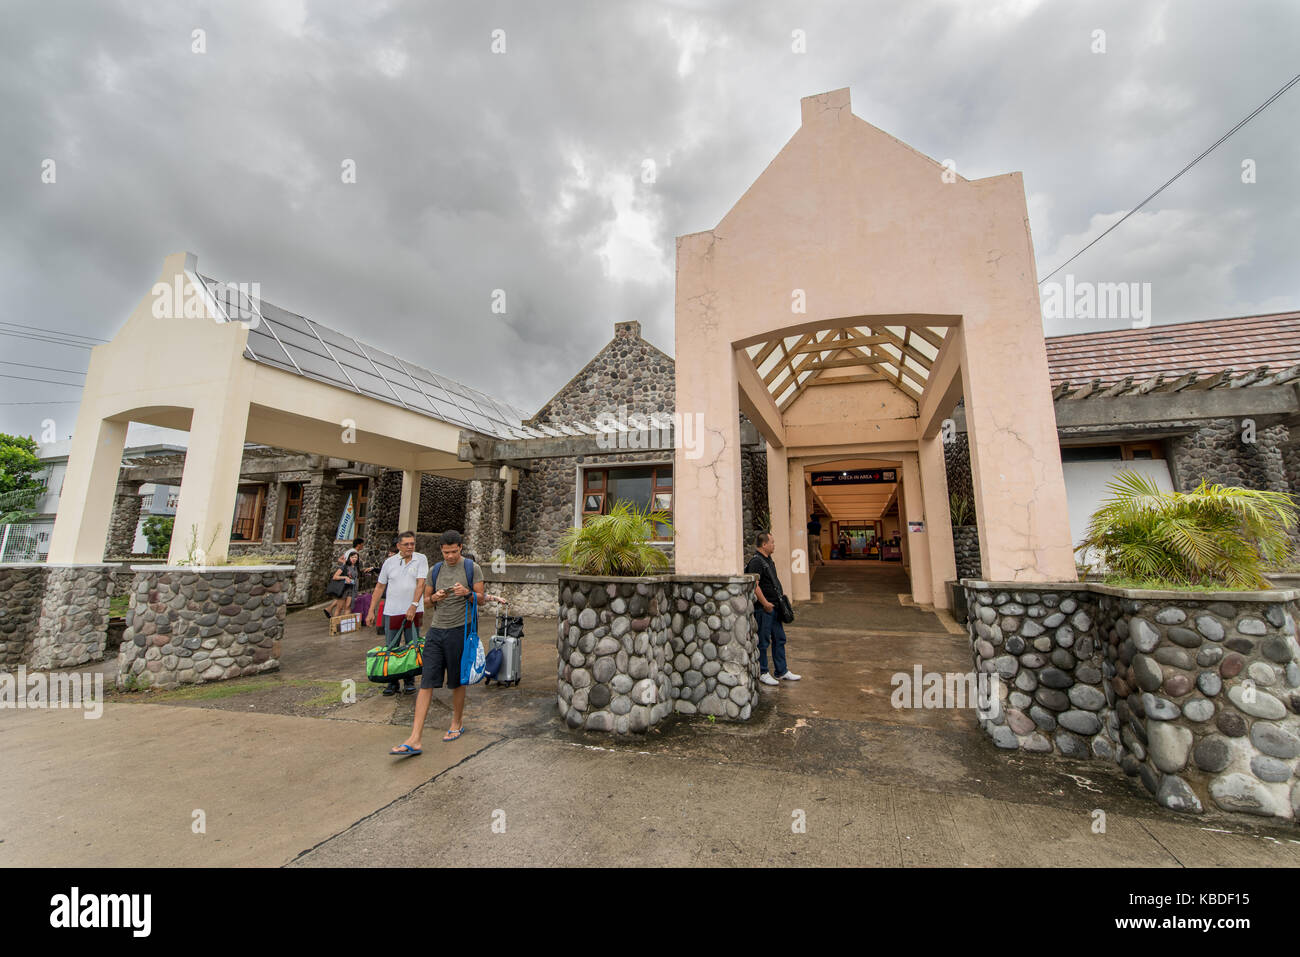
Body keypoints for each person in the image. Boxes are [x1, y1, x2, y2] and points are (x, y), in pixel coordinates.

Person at [390, 530, 485, 755]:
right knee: (427, 682)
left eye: (453, 552)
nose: (450, 556)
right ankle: (415, 738)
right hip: (436, 631)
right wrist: (434, 598)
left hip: (459, 631)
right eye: (445, 552)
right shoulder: (436, 569)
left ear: (461, 547)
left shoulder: (472, 568)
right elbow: (426, 600)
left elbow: (481, 599)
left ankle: (457, 722)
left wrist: (467, 593)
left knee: (456, 681)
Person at [365, 531, 428, 696]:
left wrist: (413, 606)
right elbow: (380, 587)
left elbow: (421, 584)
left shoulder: (420, 559)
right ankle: (392, 681)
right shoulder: (389, 563)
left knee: (411, 646)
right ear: (398, 546)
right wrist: (371, 610)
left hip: (414, 611)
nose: (410, 547)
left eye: (412, 544)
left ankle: (409, 681)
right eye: (406, 544)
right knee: (391, 646)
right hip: (393, 610)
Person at [745, 531, 801, 686]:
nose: (774, 545)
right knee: (763, 641)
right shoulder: (756, 562)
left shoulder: (768, 560)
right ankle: (763, 671)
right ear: (764, 544)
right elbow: (754, 586)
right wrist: (765, 603)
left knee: (779, 638)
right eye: (772, 542)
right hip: (765, 609)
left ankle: (782, 671)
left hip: (775, 607)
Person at [325, 552, 360, 620]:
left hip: (351, 589)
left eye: (356, 557)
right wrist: (345, 577)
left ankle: (344, 625)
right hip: (343, 589)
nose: (354, 559)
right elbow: (335, 577)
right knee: (339, 607)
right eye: (352, 557)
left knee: (348, 607)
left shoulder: (356, 568)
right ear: (349, 558)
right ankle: (335, 626)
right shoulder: (344, 566)